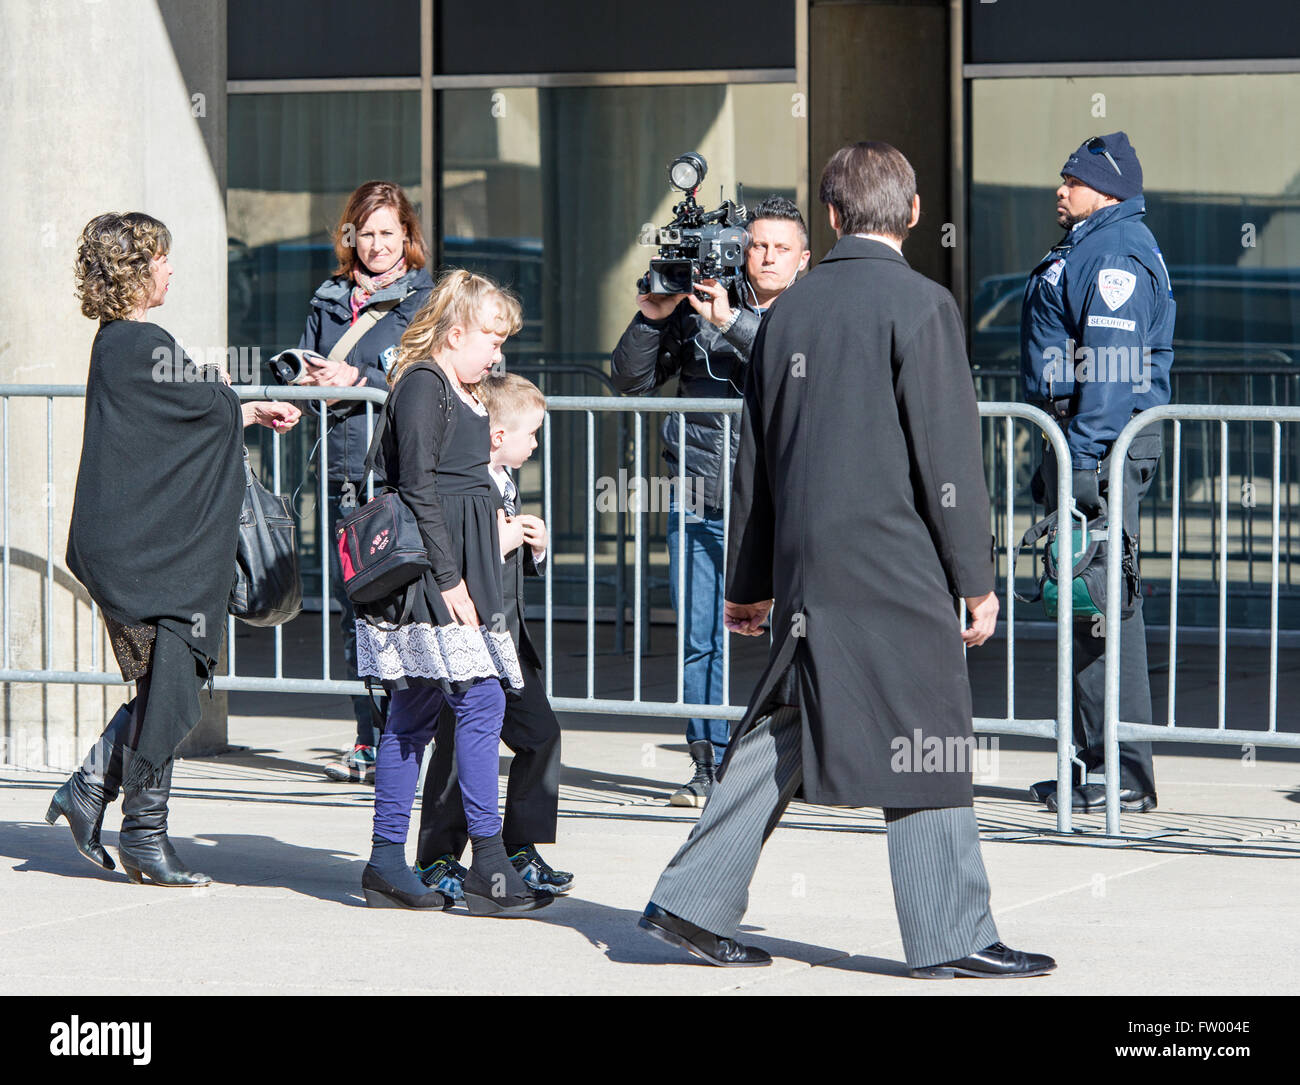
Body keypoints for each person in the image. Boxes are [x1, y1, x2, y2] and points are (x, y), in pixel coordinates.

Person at [639, 143, 1055, 979]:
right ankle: (952, 932)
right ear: (910, 211)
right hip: (892, 563)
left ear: (829, 217)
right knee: (928, 734)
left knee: (785, 725)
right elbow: (948, 460)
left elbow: (758, 456)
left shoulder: (788, 311)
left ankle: (691, 899)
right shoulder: (922, 304)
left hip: (808, 563)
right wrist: (974, 576)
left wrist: (750, 583)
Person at [48, 211, 301, 885]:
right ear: (134, 270)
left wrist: (242, 409)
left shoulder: (121, 344)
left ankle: (94, 793)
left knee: (167, 681)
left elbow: (194, 411)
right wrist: (237, 404)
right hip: (142, 554)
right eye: (160, 258)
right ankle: (140, 831)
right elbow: (199, 407)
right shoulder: (137, 342)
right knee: (172, 679)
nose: (169, 269)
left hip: (136, 547)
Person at [353, 269, 553, 916]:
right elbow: (419, 489)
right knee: (479, 700)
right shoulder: (423, 386)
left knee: (415, 714)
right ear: (456, 332)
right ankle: (484, 865)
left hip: (456, 567)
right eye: (490, 338)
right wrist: (451, 580)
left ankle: (392, 861)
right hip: (435, 576)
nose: (497, 353)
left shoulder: (457, 388)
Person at [610, 195, 810, 806]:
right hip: (699, 489)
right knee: (703, 635)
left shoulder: (813, 311)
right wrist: (651, 319)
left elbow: (796, 368)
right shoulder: (702, 300)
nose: (766, 256)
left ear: (804, 260)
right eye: (758, 244)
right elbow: (629, 382)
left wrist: (731, 325)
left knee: (802, 633)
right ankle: (708, 763)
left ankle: (797, 760)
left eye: (781, 247)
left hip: (786, 497)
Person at [1020, 132, 1173, 813]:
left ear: (1105, 191)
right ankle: (1092, 765)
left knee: (1106, 612)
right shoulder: (1090, 243)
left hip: (1099, 453)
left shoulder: (1112, 253)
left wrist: (1081, 462)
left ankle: (1124, 773)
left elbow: (1109, 375)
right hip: (1081, 448)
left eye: (1072, 180)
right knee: (1083, 610)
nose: (1061, 188)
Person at [296, 180, 435, 784]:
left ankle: (409, 733)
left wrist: (358, 375)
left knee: (398, 605)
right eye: (366, 233)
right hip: (342, 473)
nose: (376, 245)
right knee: (352, 607)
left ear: (407, 235)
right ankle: (368, 736)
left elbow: (426, 378)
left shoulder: (427, 301)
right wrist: (295, 393)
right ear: (349, 237)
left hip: (396, 475)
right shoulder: (328, 298)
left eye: (388, 232)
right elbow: (309, 364)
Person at [415, 373, 573, 899]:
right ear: (497, 436)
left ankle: (520, 845)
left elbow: (508, 569)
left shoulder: (505, 481)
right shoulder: (465, 483)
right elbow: (451, 556)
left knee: (541, 734)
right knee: (458, 744)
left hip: (509, 640)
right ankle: (437, 858)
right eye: (531, 434)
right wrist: (497, 541)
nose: (535, 444)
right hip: (468, 634)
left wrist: (536, 548)